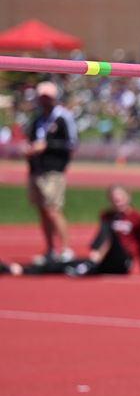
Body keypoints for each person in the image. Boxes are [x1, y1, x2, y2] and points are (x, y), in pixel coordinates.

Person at [5, 185, 140, 278]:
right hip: (103, 261)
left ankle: (92, 261)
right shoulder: (106, 215)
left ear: (128, 197)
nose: (117, 202)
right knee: (64, 265)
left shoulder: (138, 218)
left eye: (120, 199)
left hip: (123, 261)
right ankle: (18, 270)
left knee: (109, 227)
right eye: (114, 199)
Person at [24, 81, 76, 264]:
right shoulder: (38, 117)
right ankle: (50, 250)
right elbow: (33, 138)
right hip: (36, 169)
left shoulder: (62, 117)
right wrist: (30, 149)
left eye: (48, 97)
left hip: (53, 169)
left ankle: (66, 249)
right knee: (43, 211)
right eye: (42, 97)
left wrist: (47, 146)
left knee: (53, 210)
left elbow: (71, 143)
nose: (44, 100)